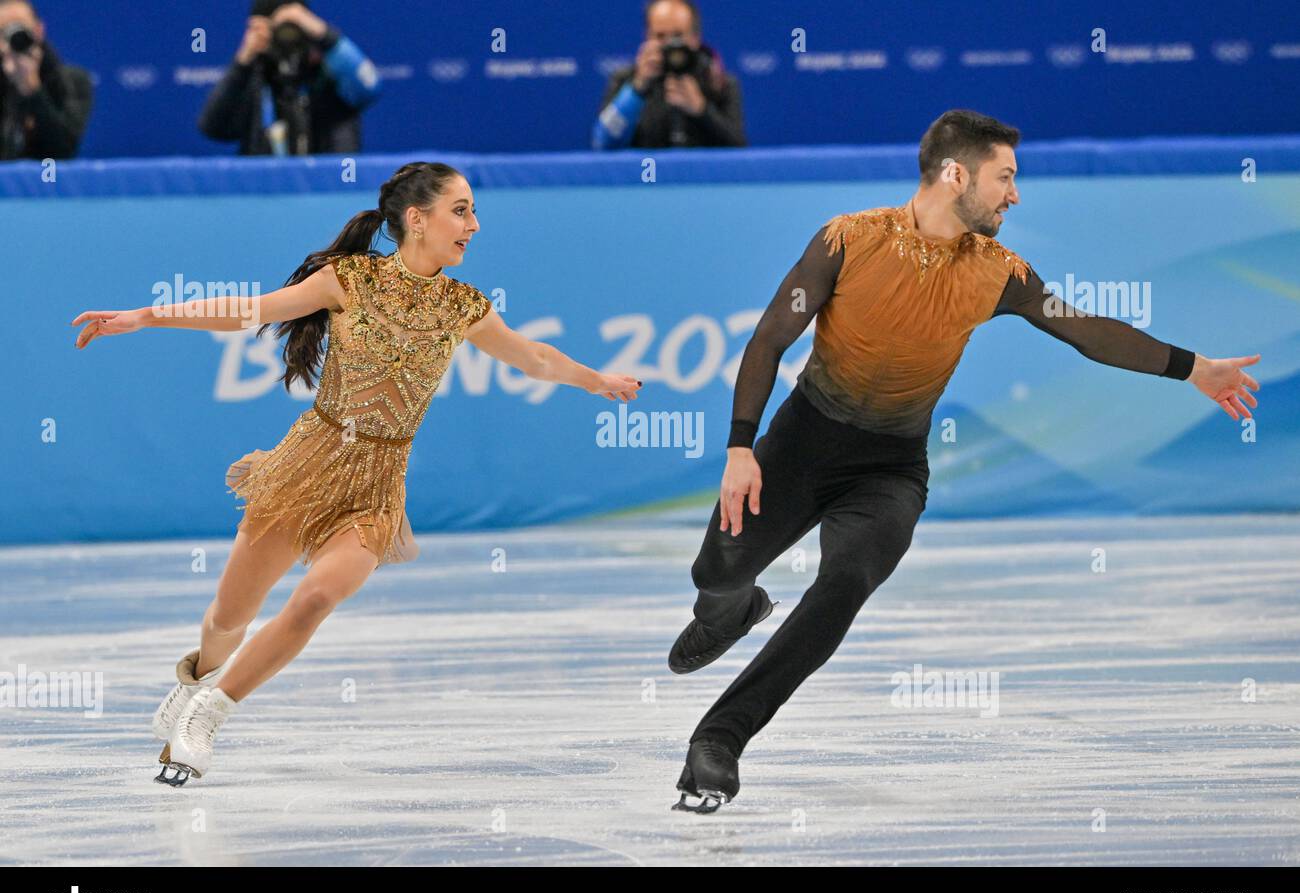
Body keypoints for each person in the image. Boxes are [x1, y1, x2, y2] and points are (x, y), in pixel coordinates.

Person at [668, 109, 1263, 812]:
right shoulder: (845, 240)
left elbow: (1085, 331)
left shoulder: (1000, 273)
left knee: (844, 584)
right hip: (800, 445)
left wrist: (1193, 369)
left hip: (890, 469)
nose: (1015, 194)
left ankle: (721, 739)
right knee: (717, 570)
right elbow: (769, 338)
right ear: (956, 174)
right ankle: (729, 611)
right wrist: (741, 446)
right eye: (1004, 177)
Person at [70, 161, 643, 786]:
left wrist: (597, 381)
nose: (474, 225)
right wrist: (146, 316)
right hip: (307, 466)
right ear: (416, 219)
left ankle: (211, 710)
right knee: (228, 618)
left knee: (316, 597)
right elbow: (251, 310)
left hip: (377, 484)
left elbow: (533, 356)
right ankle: (196, 681)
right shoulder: (349, 279)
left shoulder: (463, 306)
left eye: (474, 212)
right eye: (462, 210)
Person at [198, 0, 380, 156]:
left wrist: (327, 37)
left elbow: (369, 87)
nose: (285, 37)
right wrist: (243, 61)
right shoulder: (253, 76)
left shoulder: (330, 70)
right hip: (266, 189)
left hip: (330, 186)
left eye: (294, 27)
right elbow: (213, 127)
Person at [593, 0, 745, 150]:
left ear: (695, 38)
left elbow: (738, 148)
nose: (670, 45)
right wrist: (638, 90)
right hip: (645, 172)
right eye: (660, 36)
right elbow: (603, 143)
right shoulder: (626, 80)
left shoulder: (719, 82)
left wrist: (701, 109)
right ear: (647, 37)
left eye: (678, 35)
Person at [0, 0, 92, 160]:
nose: (13, 36)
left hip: (46, 182)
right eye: (3, 30)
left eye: (20, 27)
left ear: (39, 30)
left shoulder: (73, 81)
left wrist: (31, 88)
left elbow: (61, 151)